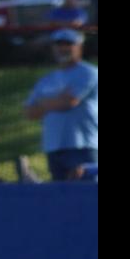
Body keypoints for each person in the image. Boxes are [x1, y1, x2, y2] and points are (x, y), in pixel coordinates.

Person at [23, 29, 97, 182]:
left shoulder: (88, 73)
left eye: (68, 44)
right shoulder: (47, 79)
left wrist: (44, 102)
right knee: (62, 198)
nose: (63, 49)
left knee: (88, 195)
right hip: (54, 147)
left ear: (79, 47)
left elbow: (69, 102)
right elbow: (29, 112)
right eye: (59, 45)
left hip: (82, 146)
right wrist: (57, 100)